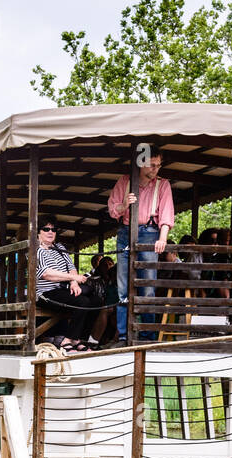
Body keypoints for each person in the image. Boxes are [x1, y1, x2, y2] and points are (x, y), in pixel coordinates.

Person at [108, 147, 174, 342]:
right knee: (123, 286)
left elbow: (167, 214)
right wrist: (124, 205)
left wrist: (162, 238)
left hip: (150, 232)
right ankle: (124, 335)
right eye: (152, 165)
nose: (156, 169)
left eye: (158, 165)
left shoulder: (163, 185)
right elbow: (113, 209)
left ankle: (147, 335)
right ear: (141, 162)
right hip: (124, 232)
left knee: (147, 286)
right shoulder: (125, 181)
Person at [33, 217, 103, 350]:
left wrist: (74, 282)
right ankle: (68, 340)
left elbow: (71, 266)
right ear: (38, 232)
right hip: (45, 293)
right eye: (46, 229)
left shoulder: (59, 247)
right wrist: (74, 277)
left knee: (96, 301)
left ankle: (79, 339)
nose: (50, 232)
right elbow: (46, 274)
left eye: (53, 230)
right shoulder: (35, 249)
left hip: (64, 288)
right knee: (83, 302)